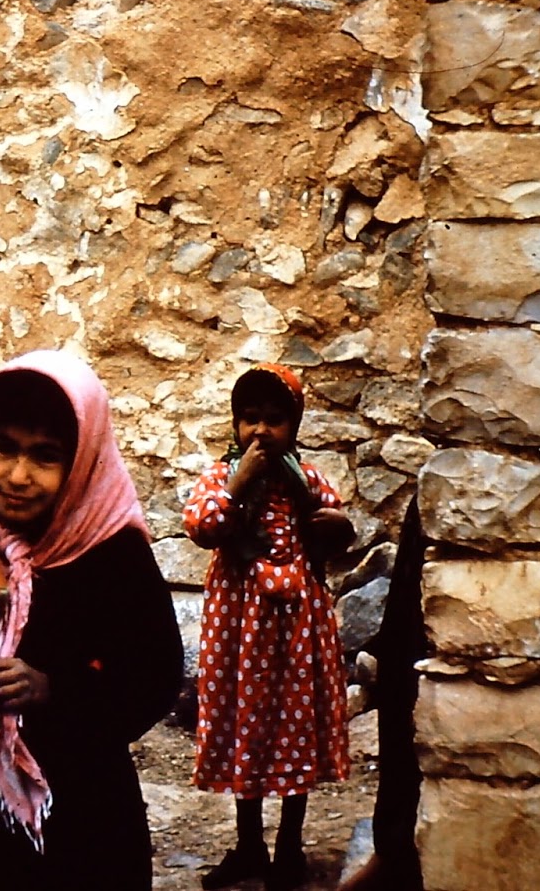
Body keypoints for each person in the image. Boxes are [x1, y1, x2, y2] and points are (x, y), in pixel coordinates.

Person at [0, 350, 184, 891]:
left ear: (83, 461)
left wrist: (52, 689)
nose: (17, 476)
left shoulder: (112, 554)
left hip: (79, 822)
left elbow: (154, 678)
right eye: (3, 449)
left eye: (46, 456)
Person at [183, 363, 354, 890]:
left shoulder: (308, 480)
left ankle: (289, 849)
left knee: (294, 724)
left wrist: (340, 528)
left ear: (294, 424)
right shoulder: (221, 477)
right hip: (239, 629)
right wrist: (239, 482)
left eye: (274, 420)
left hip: (297, 628)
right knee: (247, 726)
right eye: (249, 419)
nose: (260, 432)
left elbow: (335, 528)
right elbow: (202, 525)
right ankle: (250, 844)